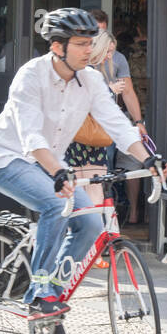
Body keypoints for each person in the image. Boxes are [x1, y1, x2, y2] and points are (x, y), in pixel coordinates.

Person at [0, 7, 167, 334]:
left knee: (91, 222)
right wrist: (59, 172)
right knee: (56, 205)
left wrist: (148, 159)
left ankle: (52, 293)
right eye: (81, 44)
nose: (89, 50)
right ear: (57, 47)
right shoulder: (30, 76)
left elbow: (117, 125)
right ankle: (40, 296)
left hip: (51, 163)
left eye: (90, 43)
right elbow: (31, 137)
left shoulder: (91, 80)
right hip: (8, 159)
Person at [95, 10, 148, 225]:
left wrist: (138, 123)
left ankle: (112, 219)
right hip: (86, 131)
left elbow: (128, 91)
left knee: (115, 167)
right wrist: (109, 89)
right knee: (100, 172)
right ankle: (101, 221)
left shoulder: (117, 59)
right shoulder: (81, 64)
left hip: (109, 121)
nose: (109, 54)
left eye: (102, 30)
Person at [61, 31, 120, 209]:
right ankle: (93, 233)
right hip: (88, 142)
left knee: (77, 197)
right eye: (108, 51)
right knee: (93, 196)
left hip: (76, 139)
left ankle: (83, 233)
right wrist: (110, 91)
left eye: (112, 52)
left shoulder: (87, 72)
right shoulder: (92, 74)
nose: (110, 56)